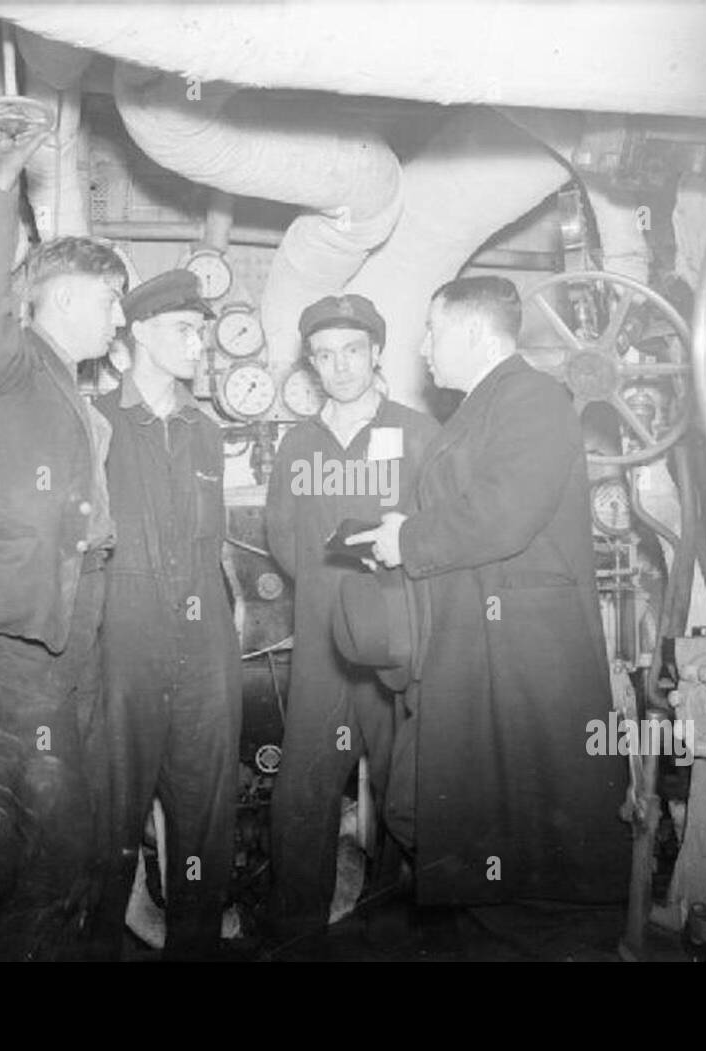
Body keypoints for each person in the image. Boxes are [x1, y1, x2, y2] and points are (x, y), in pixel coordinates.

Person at [349, 275, 630, 907]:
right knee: (453, 810)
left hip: (522, 653)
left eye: (433, 330)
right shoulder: (488, 403)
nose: (423, 347)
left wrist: (411, 540)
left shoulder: (533, 399)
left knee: (524, 828)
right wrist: (403, 532)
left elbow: (505, 513)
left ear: (475, 333)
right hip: (478, 641)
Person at [0, 120, 127, 960]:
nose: (121, 317)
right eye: (113, 299)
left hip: (68, 623)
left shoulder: (74, 388)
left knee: (46, 831)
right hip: (16, 631)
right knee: (59, 837)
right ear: (69, 296)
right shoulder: (13, 363)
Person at [263, 294, 439, 944]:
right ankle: (294, 936)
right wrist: (325, 586)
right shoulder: (298, 444)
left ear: (375, 353)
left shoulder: (417, 434)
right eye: (326, 354)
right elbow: (282, 535)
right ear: (311, 362)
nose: (340, 366)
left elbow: (439, 530)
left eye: (353, 351)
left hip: (396, 646)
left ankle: (414, 933)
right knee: (301, 794)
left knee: (411, 791)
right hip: (322, 648)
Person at [93, 270, 243, 960]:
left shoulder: (206, 431)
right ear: (139, 333)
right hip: (123, 643)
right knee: (109, 818)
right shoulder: (95, 420)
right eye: (185, 329)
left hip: (203, 647)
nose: (200, 344)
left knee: (206, 821)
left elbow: (212, 547)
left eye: (204, 331)